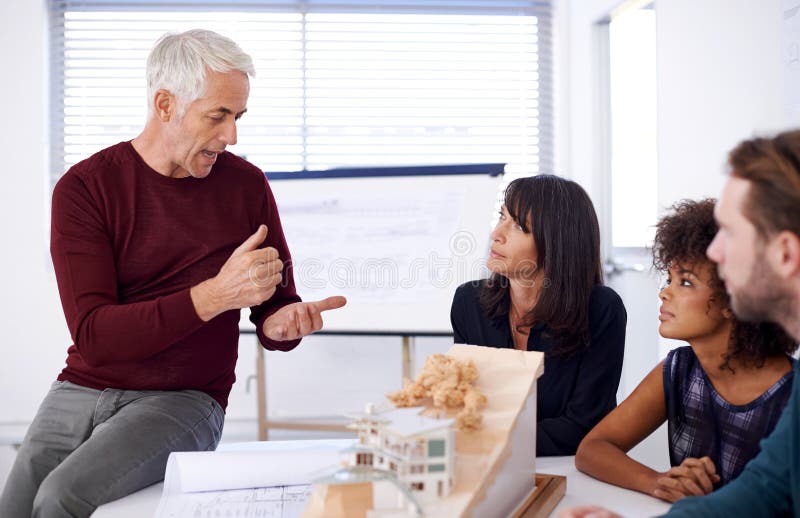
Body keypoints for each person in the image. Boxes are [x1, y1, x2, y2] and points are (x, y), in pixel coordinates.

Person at [0, 29, 345, 518]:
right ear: (165, 105)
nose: (232, 136)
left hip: (185, 398)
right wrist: (214, 295)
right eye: (218, 116)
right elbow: (95, 335)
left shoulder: (246, 187)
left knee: (62, 498)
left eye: (238, 117)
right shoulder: (85, 188)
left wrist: (282, 323)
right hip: (82, 386)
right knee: (15, 507)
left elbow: (275, 303)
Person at [560, 129, 800, 518]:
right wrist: (659, 486)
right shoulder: (680, 369)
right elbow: (757, 496)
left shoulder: (789, 393)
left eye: (732, 233)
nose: (718, 252)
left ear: (785, 252)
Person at [450, 174, 627, 456]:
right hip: (490, 464)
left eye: (519, 226)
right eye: (502, 216)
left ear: (557, 243)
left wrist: (489, 440)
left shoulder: (601, 310)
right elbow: (466, 405)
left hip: (570, 471)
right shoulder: (468, 303)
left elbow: (584, 425)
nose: (497, 233)